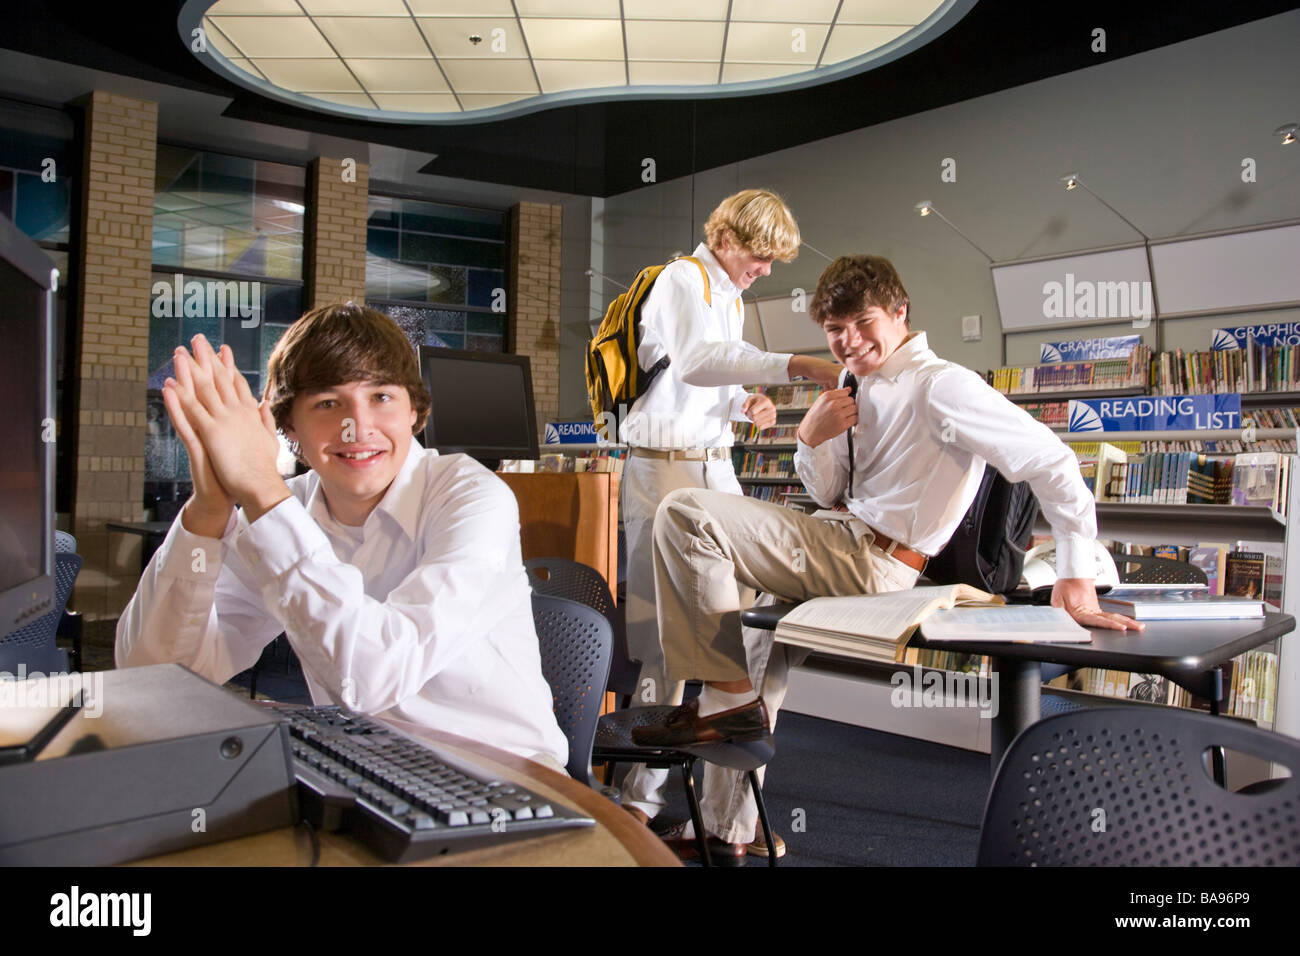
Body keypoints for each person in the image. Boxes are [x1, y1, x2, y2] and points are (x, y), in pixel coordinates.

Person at [633, 254, 1144, 853]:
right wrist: (809, 437)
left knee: (687, 513)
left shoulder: (943, 384)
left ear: (901, 313)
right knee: (753, 645)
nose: (848, 342)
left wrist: (1076, 574)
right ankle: (726, 830)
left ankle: (724, 702)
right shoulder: (855, 383)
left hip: (876, 561)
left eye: (863, 322)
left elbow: (1052, 460)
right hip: (836, 539)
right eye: (834, 330)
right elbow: (828, 493)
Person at [116, 303, 568, 771]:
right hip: (366, 768)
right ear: (287, 425)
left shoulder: (473, 496)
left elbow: (375, 675)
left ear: (415, 409)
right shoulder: (279, 512)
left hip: (509, 776)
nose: (358, 425)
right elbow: (153, 676)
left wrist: (262, 491)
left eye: (381, 397)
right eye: (328, 403)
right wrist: (208, 510)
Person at [615, 189, 840, 856]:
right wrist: (793, 364)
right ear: (733, 238)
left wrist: (745, 403)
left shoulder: (729, 297)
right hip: (663, 470)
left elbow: (706, 380)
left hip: (714, 467)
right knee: (669, 639)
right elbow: (695, 361)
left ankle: (714, 818)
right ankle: (638, 803)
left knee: (729, 637)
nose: (766, 270)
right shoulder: (682, 280)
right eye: (763, 256)